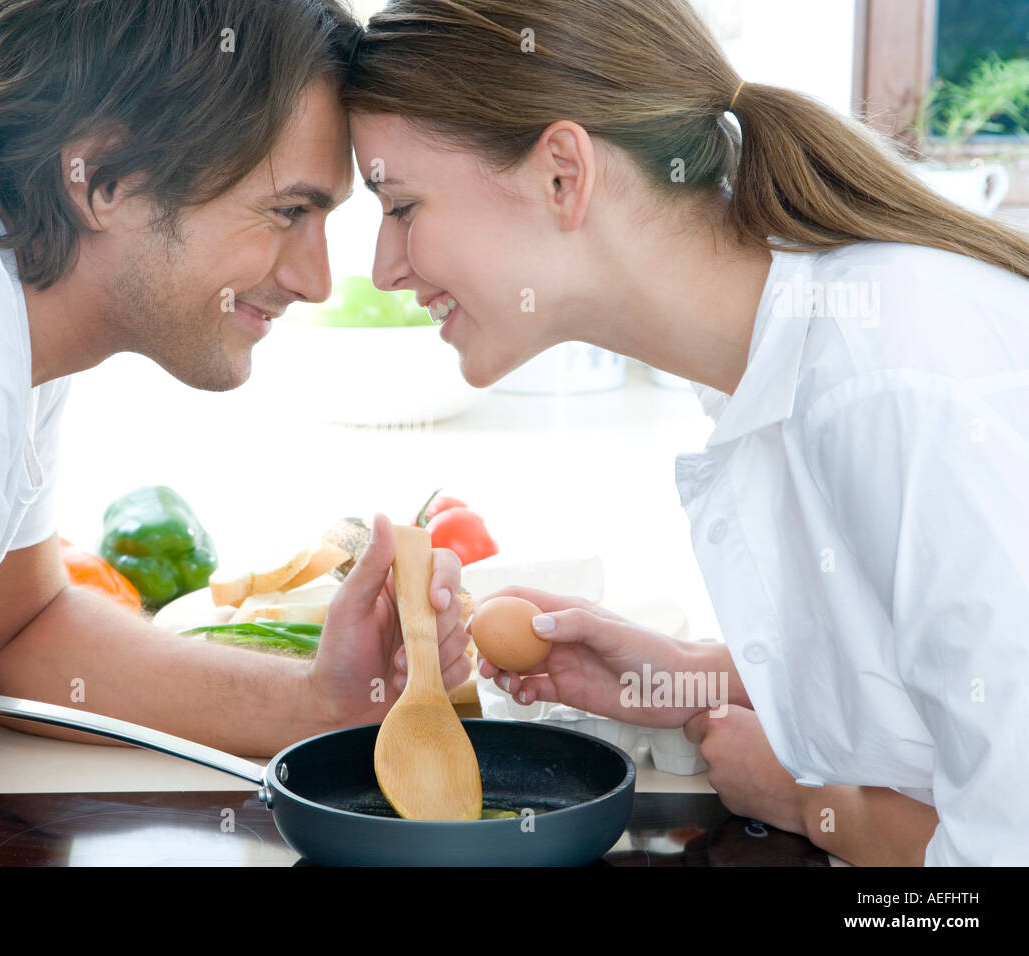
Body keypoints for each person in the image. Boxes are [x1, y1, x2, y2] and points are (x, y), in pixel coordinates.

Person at [0, 0, 470, 865]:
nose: (315, 279)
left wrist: (322, 702)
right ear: (102, 176)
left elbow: (18, 628)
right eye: (286, 213)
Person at [343, 0, 1029, 866]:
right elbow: (930, 681)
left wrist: (810, 802)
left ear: (563, 174)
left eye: (400, 205)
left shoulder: (889, 377)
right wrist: (680, 674)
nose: (382, 267)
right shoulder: (788, 363)